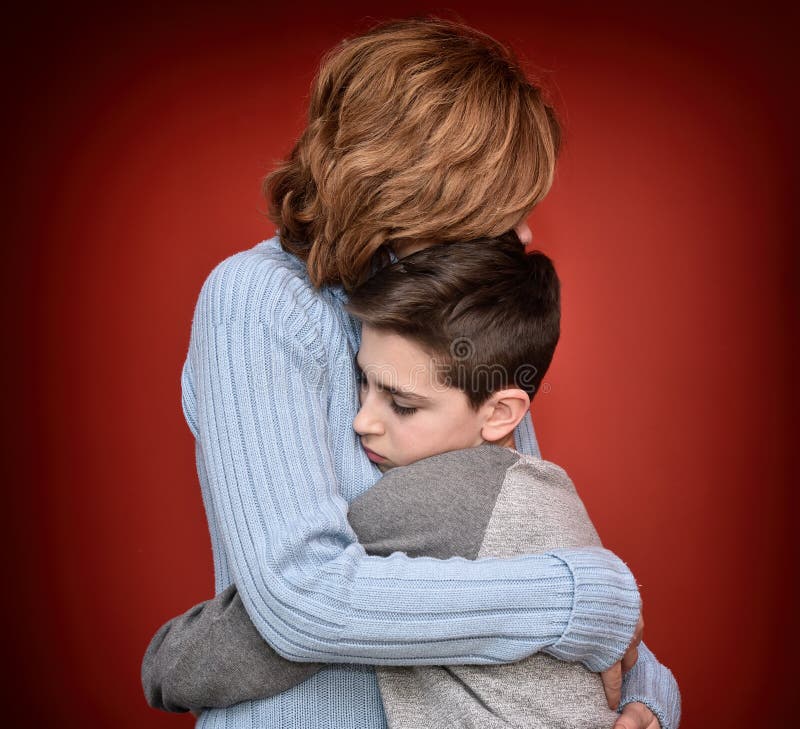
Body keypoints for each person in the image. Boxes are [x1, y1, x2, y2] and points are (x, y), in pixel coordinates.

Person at [145, 17, 677, 729]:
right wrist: (583, 599)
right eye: (501, 209)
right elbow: (302, 600)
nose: (524, 235)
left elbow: (526, 539)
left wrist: (647, 693)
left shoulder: (449, 312)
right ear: (417, 191)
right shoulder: (258, 300)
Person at [142, 237, 681, 729]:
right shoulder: (536, 482)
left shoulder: (444, 494)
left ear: (501, 414)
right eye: (362, 382)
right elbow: (596, 610)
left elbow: (273, 625)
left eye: (401, 404)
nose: (363, 421)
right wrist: (650, 693)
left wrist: (164, 663)